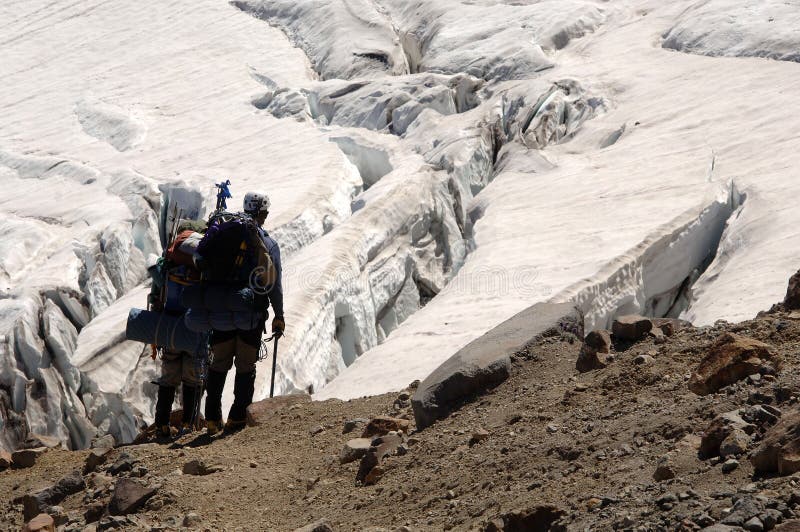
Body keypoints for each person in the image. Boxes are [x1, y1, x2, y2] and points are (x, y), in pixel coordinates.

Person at [202, 191, 284, 435]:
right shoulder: (267, 244)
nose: (267, 216)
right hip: (250, 314)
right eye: (265, 212)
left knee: (219, 365)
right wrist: (279, 315)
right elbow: (273, 283)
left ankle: (212, 419)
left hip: (221, 312)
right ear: (261, 212)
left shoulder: (224, 235)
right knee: (245, 366)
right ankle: (237, 418)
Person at [148, 261, 204, 439]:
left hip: (170, 329)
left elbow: (155, 298)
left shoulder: (169, 263)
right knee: (192, 380)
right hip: (195, 331)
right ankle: (187, 425)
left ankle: (162, 425)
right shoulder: (204, 263)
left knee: (168, 379)